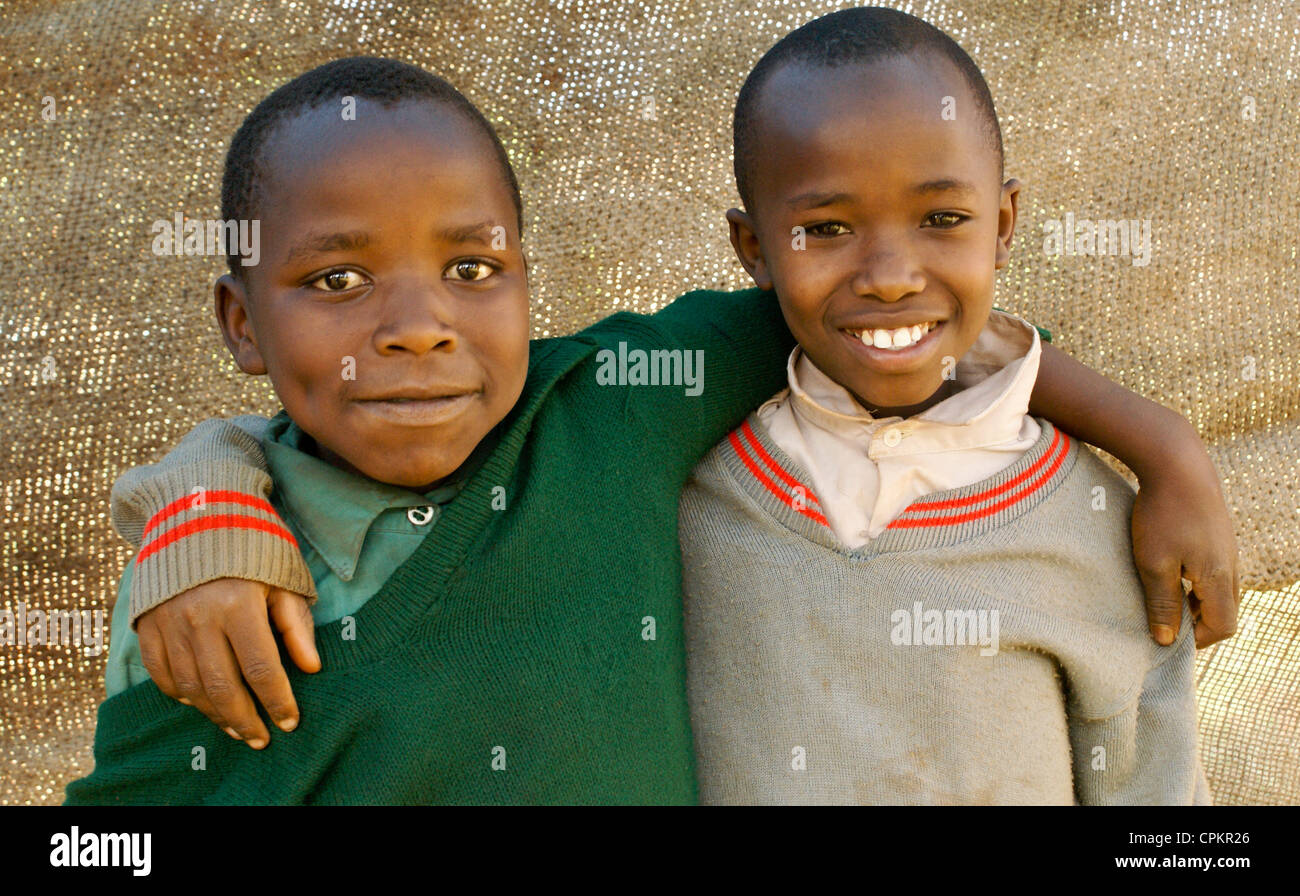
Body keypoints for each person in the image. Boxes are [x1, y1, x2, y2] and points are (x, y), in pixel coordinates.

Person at [68, 54, 1234, 804]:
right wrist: (198, 485)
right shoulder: (212, 582)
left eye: (472, 267)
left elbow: (892, 320)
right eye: (334, 283)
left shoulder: (617, 407)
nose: (418, 328)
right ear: (240, 322)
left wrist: (1162, 446)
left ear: (530, 283)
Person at [680, 7, 1211, 804]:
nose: (891, 275)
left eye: (942, 220)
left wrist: (1168, 448)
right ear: (754, 249)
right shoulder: (692, 506)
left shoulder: (1100, 528)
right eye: (826, 228)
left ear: (1001, 226)